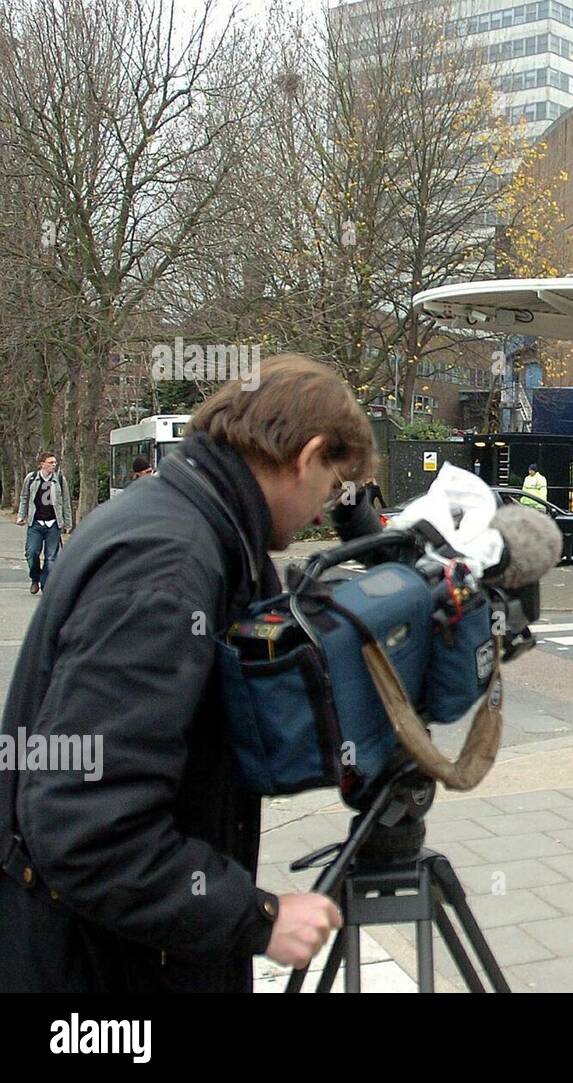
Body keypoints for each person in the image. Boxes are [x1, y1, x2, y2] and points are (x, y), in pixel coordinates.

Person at [0, 354, 375, 993]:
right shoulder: (169, 566)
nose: (322, 514)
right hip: (97, 972)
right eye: (331, 486)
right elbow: (85, 825)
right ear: (308, 456)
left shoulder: (188, 521)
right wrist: (258, 919)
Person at [15, 452, 71, 595]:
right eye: (51, 462)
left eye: (54, 463)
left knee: (51, 557)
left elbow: (65, 501)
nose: (54, 465)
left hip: (53, 524)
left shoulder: (59, 479)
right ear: (42, 464)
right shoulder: (32, 478)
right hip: (36, 523)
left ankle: (46, 586)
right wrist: (21, 515)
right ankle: (35, 578)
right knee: (32, 553)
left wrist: (67, 522)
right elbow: (24, 497)